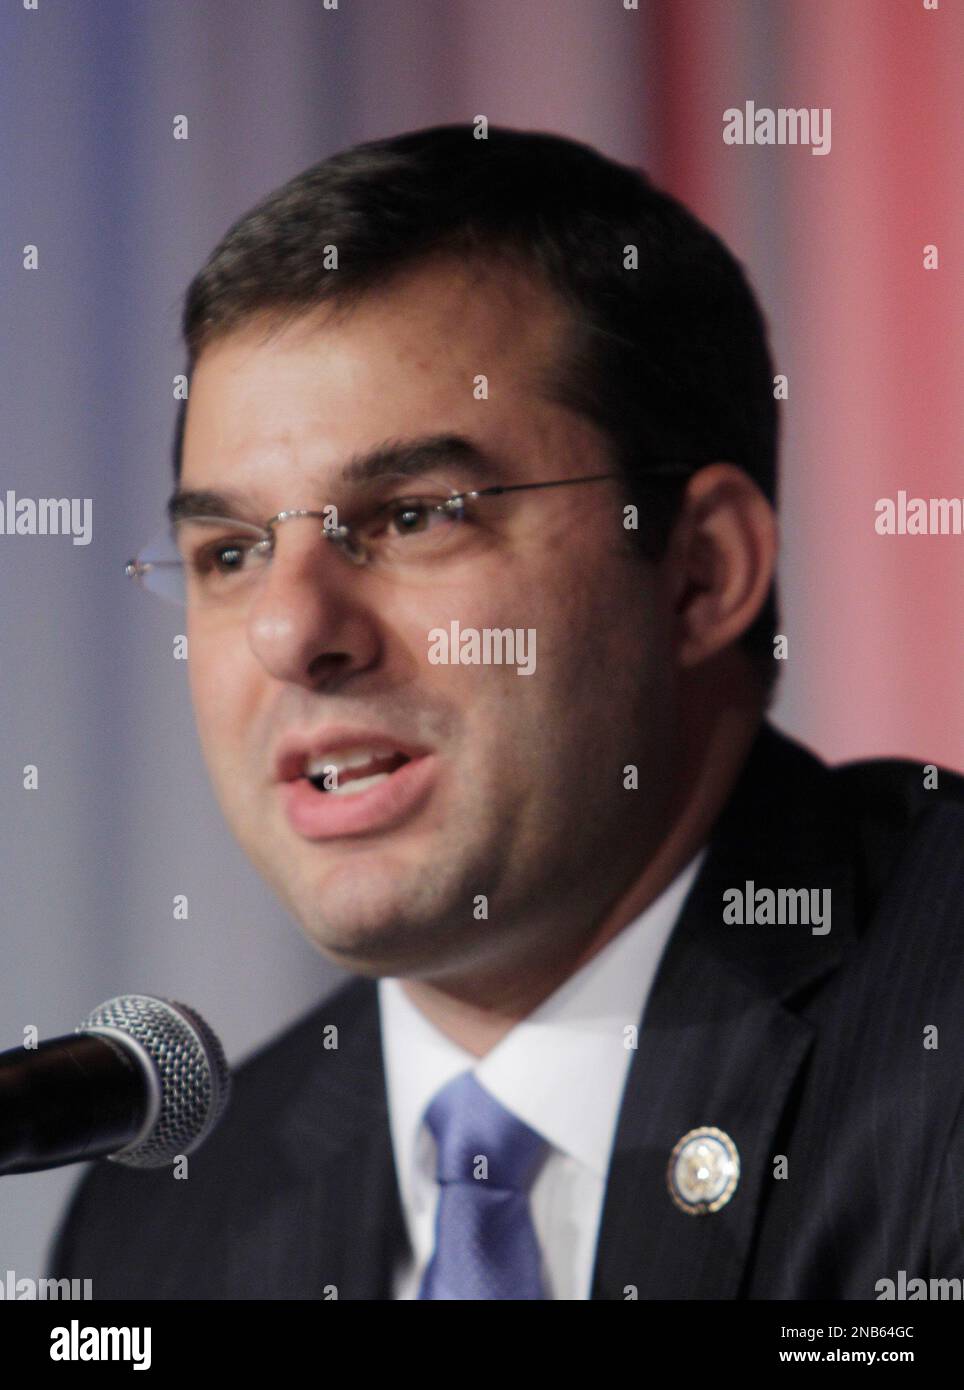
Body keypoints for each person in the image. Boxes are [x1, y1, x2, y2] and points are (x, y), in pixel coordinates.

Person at [51, 124, 964, 1300]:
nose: (289, 632)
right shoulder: (164, 1227)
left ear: (700, 572)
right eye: (228, 551)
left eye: (412, 517)